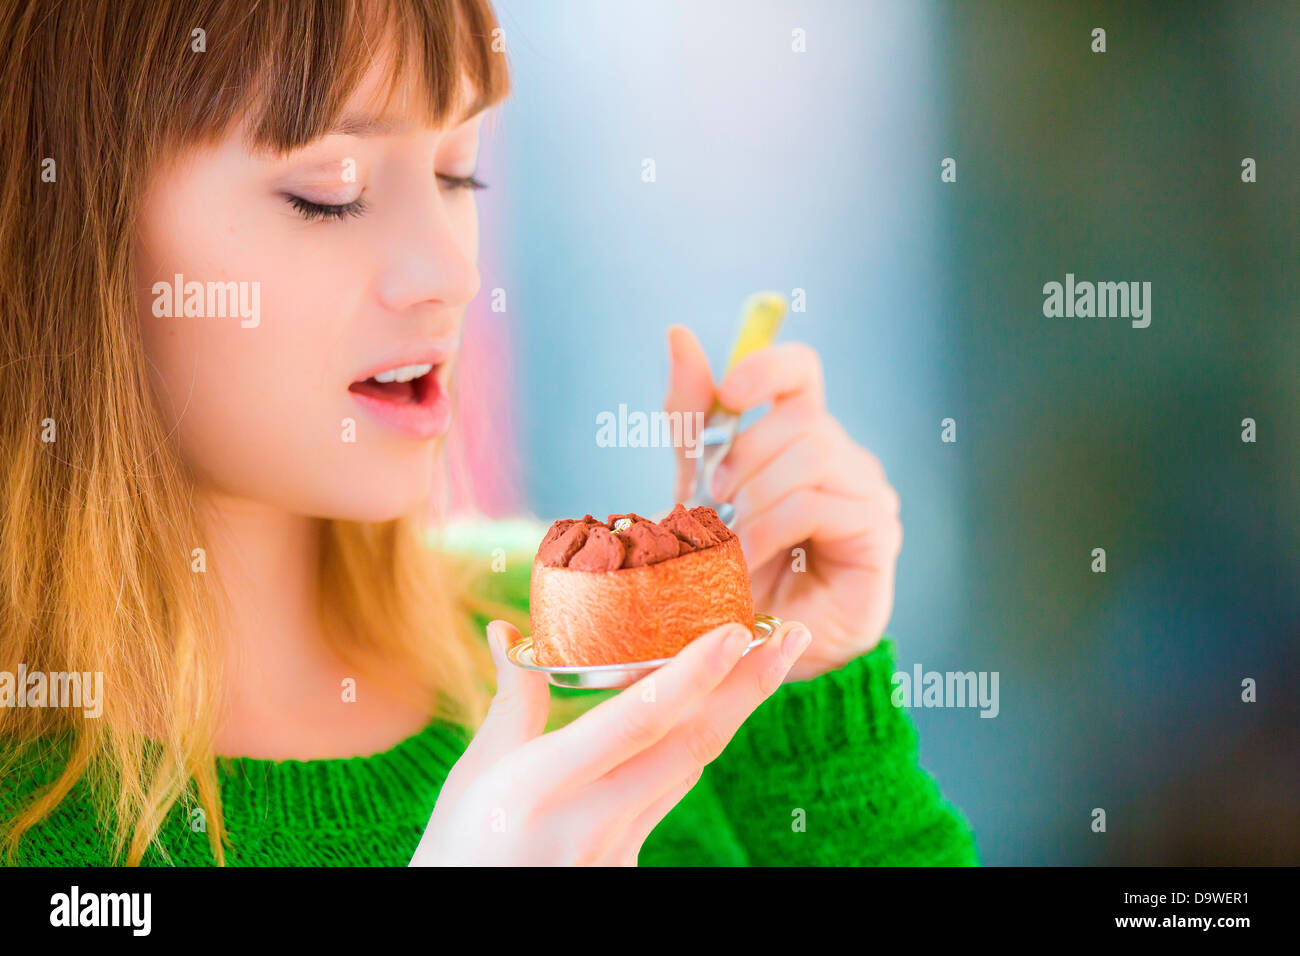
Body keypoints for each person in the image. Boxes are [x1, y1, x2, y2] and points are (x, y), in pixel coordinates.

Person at [0, 0, 977, 866]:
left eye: (456, 173)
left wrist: (792, 688)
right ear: (62, 229)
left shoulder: (574, 632)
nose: (448, 271)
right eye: (330, 190)